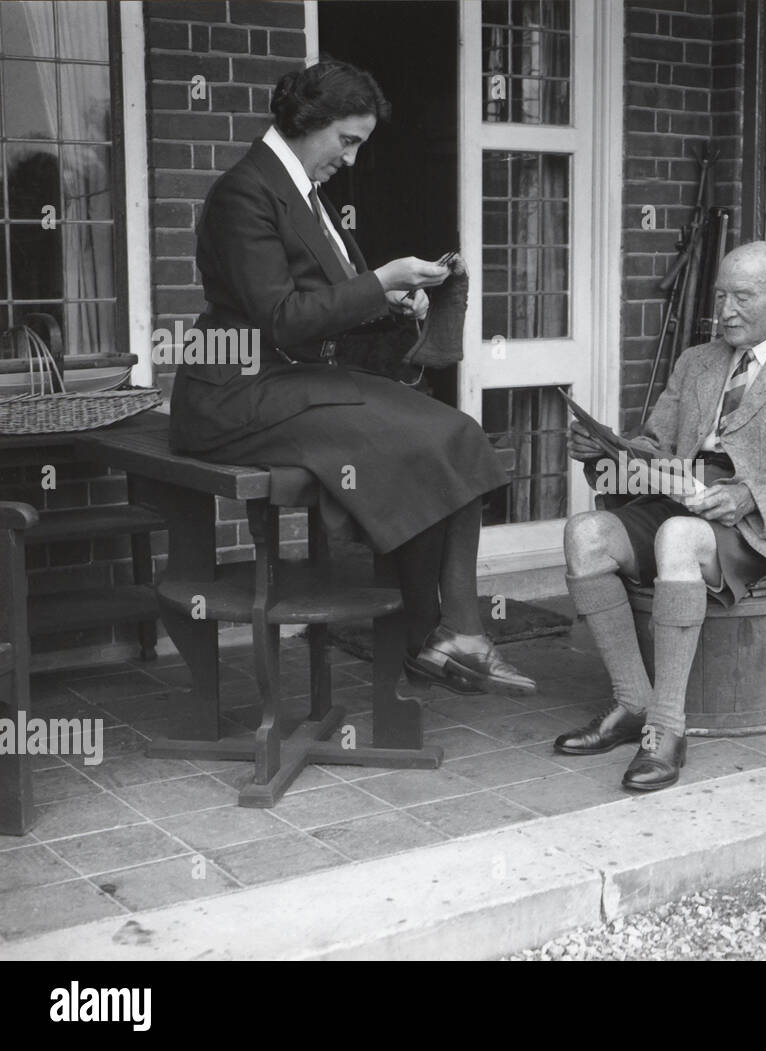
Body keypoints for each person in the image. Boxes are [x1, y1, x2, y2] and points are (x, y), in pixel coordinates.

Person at [169, 59, 535, 697]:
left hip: (290, 381)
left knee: (455, 434)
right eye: (347, 140)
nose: (353, 158)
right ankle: (441, 636)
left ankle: (452, 635)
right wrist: (380, 281)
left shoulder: (306, 194)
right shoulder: (243, 194)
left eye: (359, 143)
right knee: (426, 435)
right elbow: (283, 319)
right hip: (236, 392)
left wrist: (392, 301)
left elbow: (327, 308)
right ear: (306, 122)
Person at [555, 241, 766, 790]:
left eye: (744, 296)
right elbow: (654, 444)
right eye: (721, 295)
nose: (727, 310)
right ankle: (633, 704)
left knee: (676, 537)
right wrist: (607, 452)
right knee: (585, 534)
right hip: (680, 501)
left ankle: (666, 730)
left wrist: (746, 496)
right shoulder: (697, 362)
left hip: (759, 526)